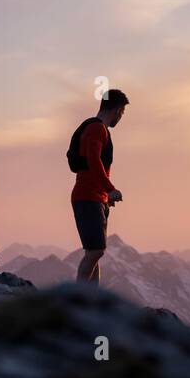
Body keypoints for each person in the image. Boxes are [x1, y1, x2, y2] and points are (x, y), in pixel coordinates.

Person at [67, 89, 128, 284]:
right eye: (122, 113)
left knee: (94, 252)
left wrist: (106, 195)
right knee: (95, 251)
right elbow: (93, 161)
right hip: (87, 197)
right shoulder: (96, 129)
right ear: (117, 110)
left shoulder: (99, 130)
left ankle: (92, 299)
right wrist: (110, 188)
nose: (121, 117)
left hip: (96, 198)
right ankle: (80, 301)